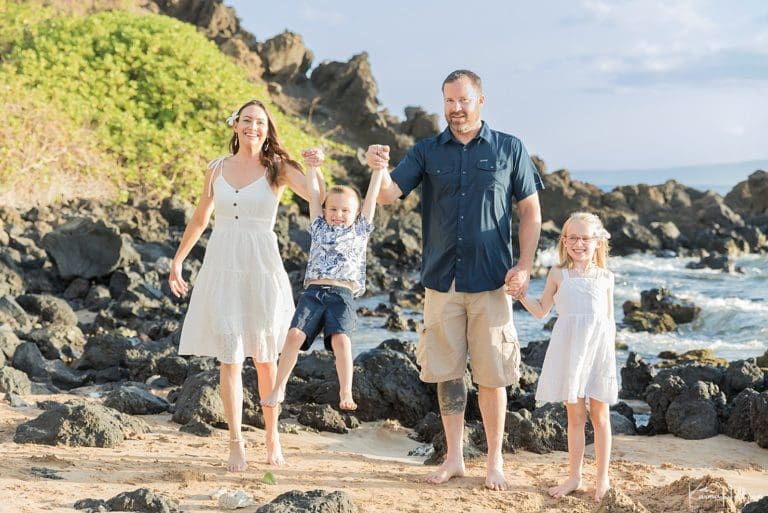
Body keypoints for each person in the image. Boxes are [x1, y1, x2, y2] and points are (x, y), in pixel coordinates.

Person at [367, 69, 544, 491]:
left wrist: (525, 266)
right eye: (448, 101)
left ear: (481, 100)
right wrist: (378, 168)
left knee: (492, 376)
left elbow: (531, 212)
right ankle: (454, 458)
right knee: (447, 373)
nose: (456, 108)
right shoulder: (428, 150)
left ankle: (495, 461)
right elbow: (391, 193)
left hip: (492, 284)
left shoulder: (509, 148)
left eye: (463, 100)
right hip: (441, 283)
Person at [168, 99, 321, 471]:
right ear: (235, 125)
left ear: (268, 130)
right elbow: (201, 218)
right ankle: (235, 442)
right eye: (248, 120)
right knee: (230, 357)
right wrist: (178, 260)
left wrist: (315, 168)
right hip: (222, 263)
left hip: (262, 266)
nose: (254, 127)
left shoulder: (277, 168)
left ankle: (272, 435)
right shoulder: (216, 169)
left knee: (266, 358)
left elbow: (315, 196)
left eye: (261, 123)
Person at [260, 148, 386, 411]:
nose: (338, 214)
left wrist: (376, 171)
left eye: (345, 210)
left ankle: (346, 392)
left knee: (342, 340)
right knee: (293, 334)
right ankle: (279, 387)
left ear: (356, 213)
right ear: (326, 210)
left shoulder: (360, 231)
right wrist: (313, 167)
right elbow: (315, 195)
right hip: (314, 294)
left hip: (342, 296)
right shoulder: (319, 225)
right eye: (333, 209)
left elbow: (372, 197)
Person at [516, 212, 618, 502]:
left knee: (600, 416)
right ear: (564, 241)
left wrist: (609, 359)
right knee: (575, 416)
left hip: (598, 353)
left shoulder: (606, 277)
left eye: (585, 238)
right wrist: (522, 295)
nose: (579, 243)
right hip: (571, 350)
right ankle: (574, 476)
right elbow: (541, 310)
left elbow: (609, 322)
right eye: (572, 237)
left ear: (597, 242)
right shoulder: (558, 274)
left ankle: (602, 478)